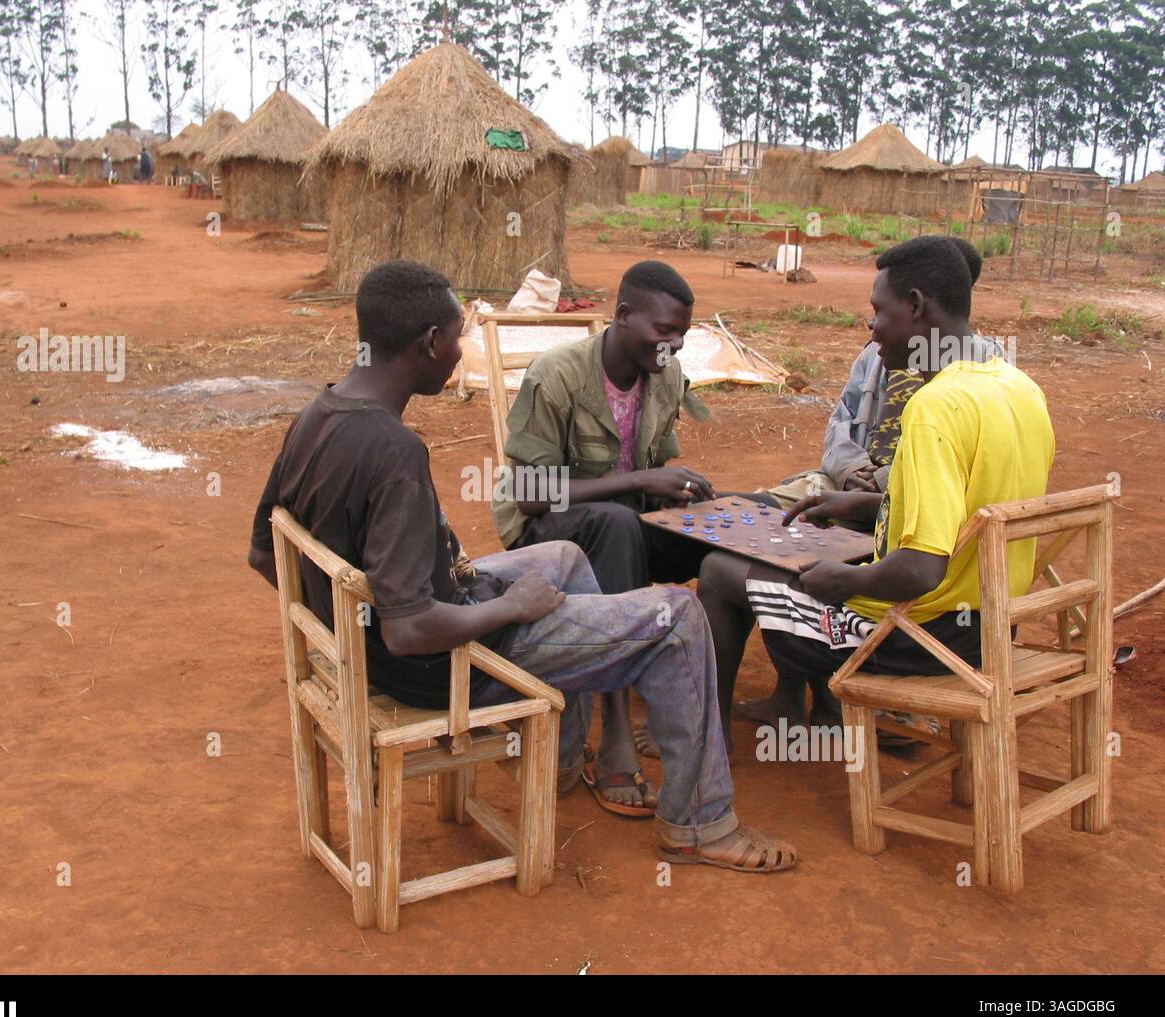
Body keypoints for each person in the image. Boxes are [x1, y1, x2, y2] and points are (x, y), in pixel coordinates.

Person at [249, 259, 797, 874]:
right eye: (457, 336)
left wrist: (346, 631)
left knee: (564, 557)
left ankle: (561, 758)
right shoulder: (393, 451)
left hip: (407, 635)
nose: (459, 351)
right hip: (438, 664)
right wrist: (508, 608)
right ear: (430, 343)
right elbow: (409, 630)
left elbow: (264, 554)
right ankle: (698, 824)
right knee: (679, 615)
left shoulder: (317, 416)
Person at [696, 236, 1053, 739]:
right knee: (810, 553)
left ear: (914, 305)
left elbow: (920, 569)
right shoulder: (1017, 387)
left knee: (719, 570)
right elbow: (970, 509)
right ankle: (796, 708)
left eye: (878, 310)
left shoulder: (935, 407)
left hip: (917, 636)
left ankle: (705, 742)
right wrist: (865, 504)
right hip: (988, 626)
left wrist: (845, 582)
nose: (871, 326)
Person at [492, 261, 718, 814]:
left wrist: (679, 493)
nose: (674, 345)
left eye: (683, 333)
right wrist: (640, 481)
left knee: (724, 530)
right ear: (621, 316)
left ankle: (703, 713)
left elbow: (654, 469)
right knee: (616, 522)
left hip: (627, 525)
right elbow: (530, 494)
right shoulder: (559, 375)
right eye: (664, 330)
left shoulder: (664, 377)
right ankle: (615, 723)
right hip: (551, 536)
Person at [763, 238, 986, 520]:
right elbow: (842, 418)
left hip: (915, 501)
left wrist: (880, 482)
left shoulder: (980, 368)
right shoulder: (878, 354)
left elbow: (948, 472)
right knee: (763, 506)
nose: (871, 323)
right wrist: (852, 469)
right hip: (848, 482)